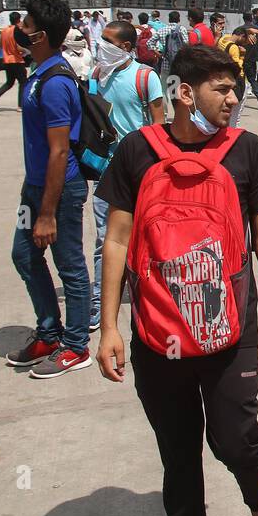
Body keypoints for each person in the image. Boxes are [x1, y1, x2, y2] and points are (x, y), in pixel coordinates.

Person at [94, 43, 258, 516]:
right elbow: (116, 241)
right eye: (220, 89)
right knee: (177, 447)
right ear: (184, 92)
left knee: (233, 436)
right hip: (156, 329)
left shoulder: (246, 150)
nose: (232, 99)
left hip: (229, 325)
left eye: (235, 89)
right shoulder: (137, 150)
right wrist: (107, 328)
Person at [4, 0, 94, 380]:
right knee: (24, 256)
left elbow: (60, 152)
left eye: (24, 24)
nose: (18, 29)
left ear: (40, 35)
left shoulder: (55, 82)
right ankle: (49, 333)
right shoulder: (40, 73)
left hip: (59, 190)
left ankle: (76, 346)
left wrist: (46, 213)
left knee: (70, 265)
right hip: (35, 187)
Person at [89, 20, 166, 330]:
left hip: (140, 174)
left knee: (145, 240)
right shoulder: (96, 76)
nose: (100, 46)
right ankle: (98, 303)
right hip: (104, 172)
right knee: (103, 240)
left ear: (124, 47)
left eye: (107, 41)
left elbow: (159, 127)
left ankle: (146, 300)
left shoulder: (146, 77)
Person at [0, 11, 29, 110]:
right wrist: (26, 51)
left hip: (7, 60)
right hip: (17, 60)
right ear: (18, 20)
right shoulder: (17, 30)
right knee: (23, 82)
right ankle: (20, 105)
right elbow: (18, 47)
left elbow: (0, 46)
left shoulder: (4, 31)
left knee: (9, 83)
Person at [217, 23, 249, 127]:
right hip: (237, 81)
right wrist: (243, 56)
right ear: (241, 36)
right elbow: (237, 67)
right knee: (236, 116)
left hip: (225, 78)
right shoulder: (234, 48)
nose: (244, 44)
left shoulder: (223, 41)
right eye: (244, 40)